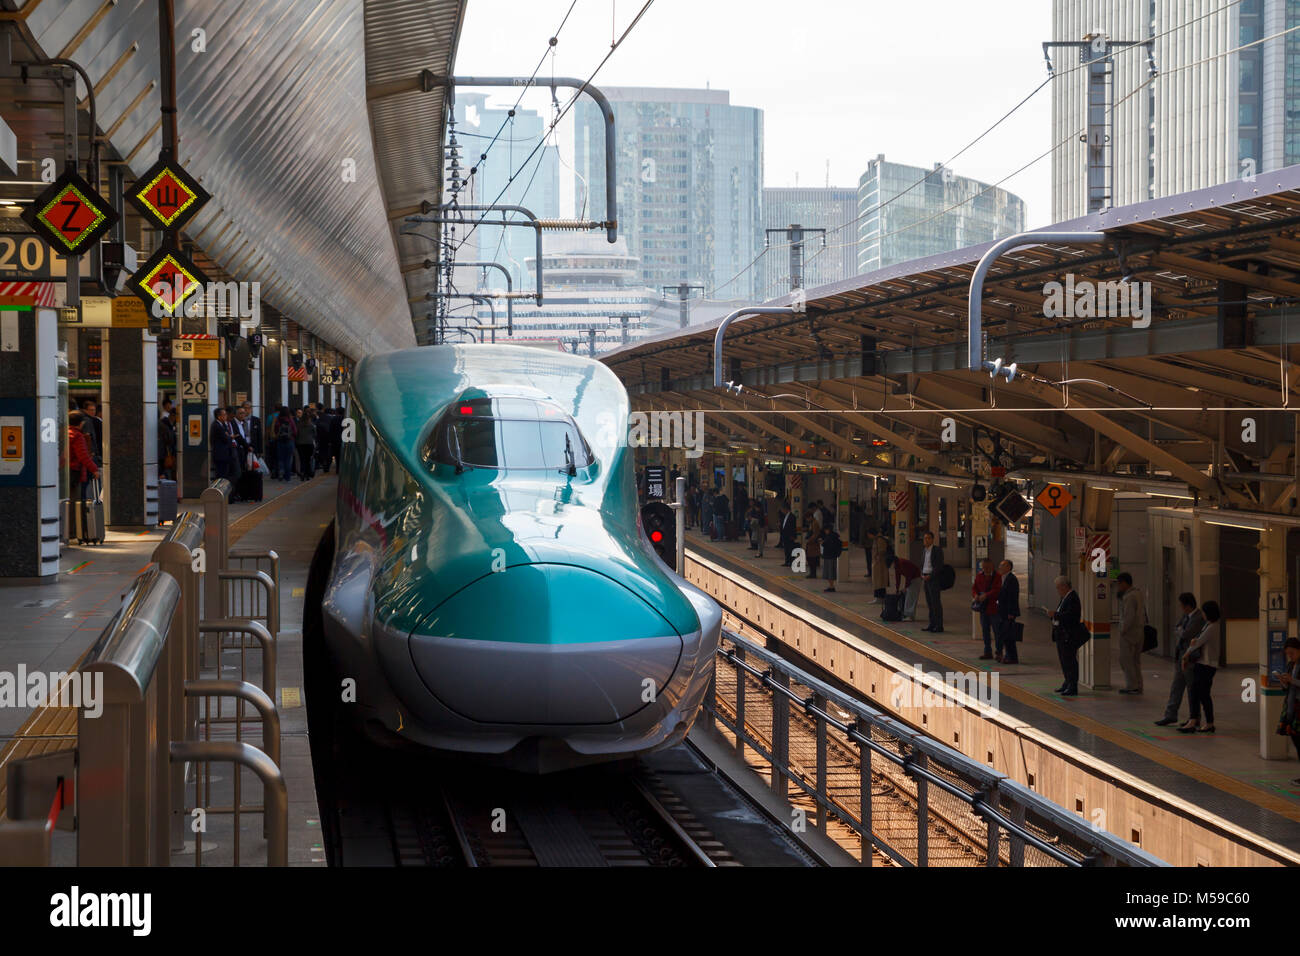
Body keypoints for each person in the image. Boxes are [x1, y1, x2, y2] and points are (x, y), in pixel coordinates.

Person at [1155, 593, 1204, 726]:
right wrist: (1181, 631)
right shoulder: (1186, 616)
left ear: (1187, 605)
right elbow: (1177, 629)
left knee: (1191, 688)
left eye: (1182, 605)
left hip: (1191, 658)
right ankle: (1170, 714)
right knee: (1176, 686)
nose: (1181, 608)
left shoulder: (1198, 618)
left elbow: (1186, 633)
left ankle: (1195, 717)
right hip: (1181, 656)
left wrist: (1181, 631)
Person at [1178, 600, 1220, 733]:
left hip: (1208, 665)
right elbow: (1197, 640)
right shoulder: (1208, 625)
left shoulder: (1212, 627)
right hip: (1202, 663)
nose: (1202, 614)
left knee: (1203, 694)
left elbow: (1198, 642)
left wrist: (1186, 655)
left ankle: (1208, 723)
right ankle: (1194, 720)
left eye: (1204, 612)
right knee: (1196, 692)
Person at [1050, 575, 1084, 696]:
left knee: (1070, 661)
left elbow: (1071, 616)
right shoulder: (1065, 598)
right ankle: (1067, 682)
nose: (1058, 590)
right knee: (1064, 660)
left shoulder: (1072, 598)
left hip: (1068, 635)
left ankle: (1072, 685)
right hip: (1061, 634)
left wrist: (1056, 615)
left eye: (1058, 588)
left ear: (1064, 586)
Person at [1116, 572, 1146, 694]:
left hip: (1129, 634)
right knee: (1135, 660)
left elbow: (1129, 616)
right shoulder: (1138, 593)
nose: (1118, 587)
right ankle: (1138, 684)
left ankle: (1131, 685)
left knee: (1126, 660)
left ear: (1124, 583)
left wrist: (1122, 630)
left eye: (1119, 584)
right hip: (1139, 631)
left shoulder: (1129, 597)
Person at [1275, 638, 1300, 783]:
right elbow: (1288, 688)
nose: (1290, 656)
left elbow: (1295, 683)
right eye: (1288, 654)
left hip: (1298, 706)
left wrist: (1292, 680)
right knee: (1296, 741)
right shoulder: (1291, 665)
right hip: (1291, 707)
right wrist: (1283, 682)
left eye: (1292, 653)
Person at [972, 558, 1002, 660]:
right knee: (985, 631)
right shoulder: (979, 576)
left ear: (992, 567)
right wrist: (975, 595)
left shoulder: (997, 577)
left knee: (997, 631)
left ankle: (999, 652)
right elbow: (974, 588)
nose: (985, 569)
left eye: (987, 567)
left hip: (994, 608)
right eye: (983, 567)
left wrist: (986, 595)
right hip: (983, 609)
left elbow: (997, 590)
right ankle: (987, 651)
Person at [67, 410, 99, 500]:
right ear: (81, 423)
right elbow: (83, 456)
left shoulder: (65, 433)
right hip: (75, 471)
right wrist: (94, 469)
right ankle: (77, 513)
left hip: (65, 470)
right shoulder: (77, 436)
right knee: (78, 498)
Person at [995, 559, 1020, 663]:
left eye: (1002, 565)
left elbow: (1012, 597)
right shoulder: (1002, 578)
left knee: (1009, 635)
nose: (1000, 567)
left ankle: (1012, 657)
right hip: (1002, 611)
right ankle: (1007, 655)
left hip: (1008, 612)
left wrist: (1011, 613)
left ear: (1009, 567)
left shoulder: (1012, 579)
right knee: (1004, 635)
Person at [920, 531, 945, 633]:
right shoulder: (924, 551)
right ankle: (932, 624)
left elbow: (939, 566)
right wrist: (922, 574)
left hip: (933, 578)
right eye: (925, 538)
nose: (926, 540)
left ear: (932, 539)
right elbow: (923, 563)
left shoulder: (937, 550)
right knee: (930, 603)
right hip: (925, 577)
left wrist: (931, 576)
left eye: (928, 538)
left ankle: (939, 625)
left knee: (935, 603)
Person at [210, 408, 239, 481]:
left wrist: (228, 436)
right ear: (219, 416)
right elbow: (226, 438)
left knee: (225, 474)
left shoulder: (223, 425)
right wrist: (230, 437)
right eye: (224, 415)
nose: (226, 416)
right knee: (221, 475)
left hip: (225, 455)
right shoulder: (216, 426)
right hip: (220, 455)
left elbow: (227, 435)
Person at [892, 554, 923, 621]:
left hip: (916, 578)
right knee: (908, 596)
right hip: (911, 578)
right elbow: (898, 577)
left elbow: (908, 576)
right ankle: (909, 614)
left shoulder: (902, 563)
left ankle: (909, 615)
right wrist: (897, 589)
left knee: (911, 597)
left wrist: (906, 587)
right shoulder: (896, 565)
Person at [273, 404, 296, 481]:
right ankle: (287, 476)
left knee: (280, 459)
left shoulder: (278, 420)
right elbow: (295, 431)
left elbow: (276, 430)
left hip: (280, 442)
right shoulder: (290, 420)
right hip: (289, 441)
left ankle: (280, 473)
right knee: (288, 459)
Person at [79, 398, 103, 467]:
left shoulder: (92, 419)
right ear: (85, 410)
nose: (93, 412)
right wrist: (91, 453)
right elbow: (88, 436)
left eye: (94, 410)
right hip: (91, 454)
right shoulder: (87, 420)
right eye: (91, 410)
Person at [297, 407, 318, 481]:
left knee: (302, 459)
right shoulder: (312, 425)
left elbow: (297, 434)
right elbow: (315, 435)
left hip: (300, 444)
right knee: (308, 459)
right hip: (309, 443)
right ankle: (308, 474)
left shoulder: (299, 425)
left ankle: (302, 473)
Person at [870, 529, 890, 604]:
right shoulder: (876, 539)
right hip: (877, 563)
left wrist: (878, 557)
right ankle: (879, 597)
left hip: (880, 564)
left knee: (879, 581)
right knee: (877, 581)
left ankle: (879, 597)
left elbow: (882, 550)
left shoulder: (880, 540)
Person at [821, 524, 842, 592]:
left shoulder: (831, 537)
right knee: (830, 571)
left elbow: (829, 545)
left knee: (830, 571)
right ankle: (831, 585)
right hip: (831, 556)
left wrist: (823, 543)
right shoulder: (834, 536)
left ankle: (831, 586)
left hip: (829, 556)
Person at [804, 513, 822, 579]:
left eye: (807, 518)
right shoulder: (812, 523)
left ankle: (813, 574)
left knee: (812, 559)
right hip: (811, 544)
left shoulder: (814, 523)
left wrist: (809, 540)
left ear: (810, 517)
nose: (807, 520)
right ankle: (812, 573)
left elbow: (815, 534)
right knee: (810, 559)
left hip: (813, 544)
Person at [778, 502, 797, 566]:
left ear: (786, 509)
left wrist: (793, 536)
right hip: (785, 535)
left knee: (790, 549)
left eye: (782, 509)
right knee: (786, 549)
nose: (782, 511)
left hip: (789, 536)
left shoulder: (792, 516)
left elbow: (793, 527)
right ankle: (787, 561)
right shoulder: (785, 516)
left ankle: (791, 562)